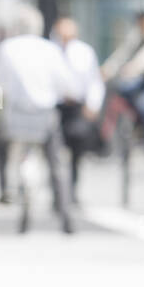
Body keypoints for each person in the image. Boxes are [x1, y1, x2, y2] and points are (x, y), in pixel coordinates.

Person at [0, 3, 77, 233]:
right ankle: (65, 212)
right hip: (44, 115)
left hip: (14, 116)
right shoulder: (50, 50)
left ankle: (4, 188)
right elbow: (67, 85)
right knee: (57, 162)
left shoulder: (6, 48)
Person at [49, 15, 106, 204]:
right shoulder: (49, 51)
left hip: (76, 108)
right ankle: (57, 193)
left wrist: (93, 105)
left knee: (76, 149)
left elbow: (94, 82)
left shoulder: (84, 52)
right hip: (54, 106)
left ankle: (72, 190)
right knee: (53, 151)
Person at [100, 7, 144, 148]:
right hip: (139, 79)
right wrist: (107, 69)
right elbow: (122, 53)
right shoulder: (137, 33)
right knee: (123, 94)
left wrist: (133, 68)